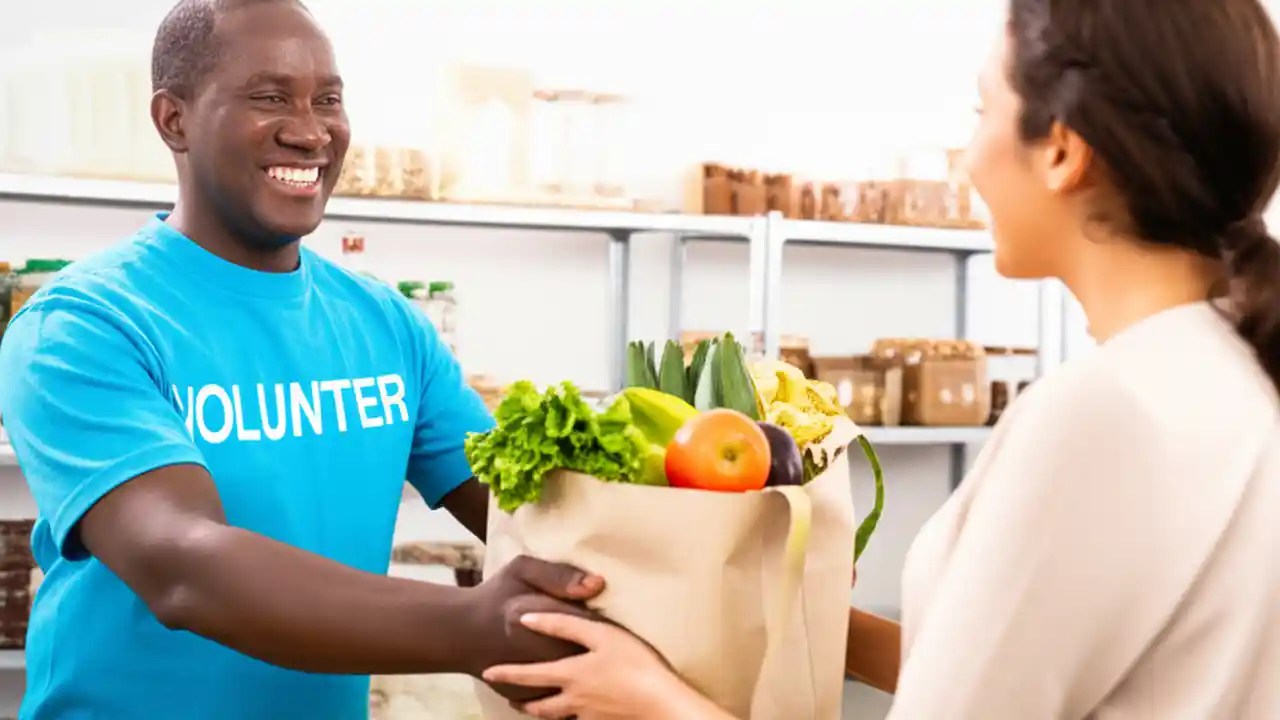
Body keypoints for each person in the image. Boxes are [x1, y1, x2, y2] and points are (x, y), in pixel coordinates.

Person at [481, 0, 1280, 717]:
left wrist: (653, 699)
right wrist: (798, 617)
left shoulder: (1103, 413)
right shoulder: (1230, 371)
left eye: (981, 112)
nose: (966, 158)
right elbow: (1051, 671)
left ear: (1064, 153)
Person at [0, 1, 603, 718]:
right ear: (174, 120)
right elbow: (183, 565)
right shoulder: (83, 325)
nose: (310, 129)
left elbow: (526, 508)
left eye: (329, 99)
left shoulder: (387, 325)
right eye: (269, 97)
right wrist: (473, 625)